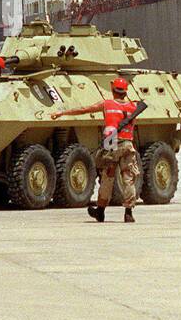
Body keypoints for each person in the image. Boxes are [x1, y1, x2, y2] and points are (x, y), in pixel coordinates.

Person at [50, 77, 140, 223]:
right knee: (128, 179)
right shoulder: (133, 107)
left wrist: (62, 113)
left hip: (112, 144)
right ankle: (128, 212)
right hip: (128, 144)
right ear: (125, 91)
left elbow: (85, 110)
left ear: (113, 90)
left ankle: (101, 211)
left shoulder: (107, 104)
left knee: (107, 177)